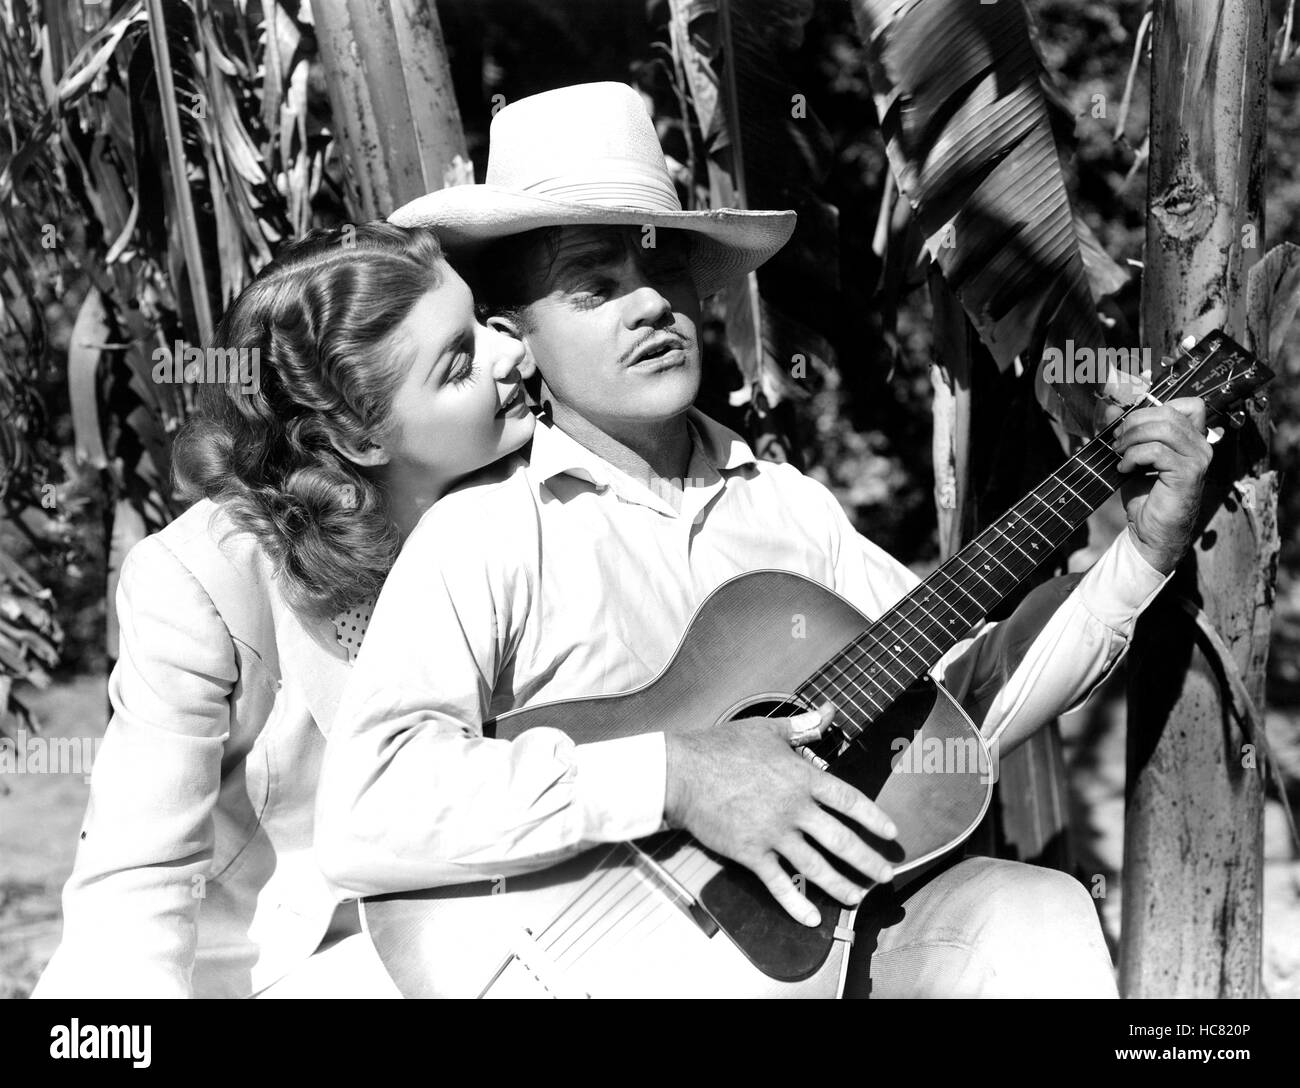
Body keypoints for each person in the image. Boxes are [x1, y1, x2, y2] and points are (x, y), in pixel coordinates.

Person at [315, 83, 1214, 997]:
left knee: (1037, 911)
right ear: (517, 337)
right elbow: (368, 811)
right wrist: (675, 777)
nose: (648, 308)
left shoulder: (788, 509)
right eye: (594, 287)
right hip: (562, 967)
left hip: (816, 964)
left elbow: (958, 710)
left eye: (662, 272)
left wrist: (1140, 552)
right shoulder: (486, 531)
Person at [33, 223, 535, 998]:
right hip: (289, 966)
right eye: (459, 361)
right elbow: (139, 870)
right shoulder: (199, 579)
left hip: (514, 932)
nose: (512, 354)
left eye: (484, 322)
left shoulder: (535, 493)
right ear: (357, 435)